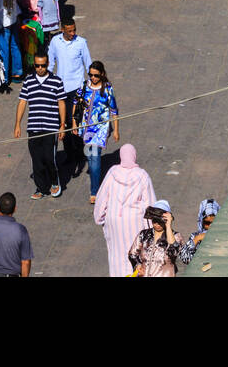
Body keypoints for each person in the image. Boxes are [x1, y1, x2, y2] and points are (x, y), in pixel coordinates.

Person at [93, 144, 156, 278]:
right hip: (135, 222)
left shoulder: (112, 172)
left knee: (116, 255)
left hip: (114, 220)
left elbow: (101, 197)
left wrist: (100, 218)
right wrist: (152, 230)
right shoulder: (142, 175)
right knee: (136, 254)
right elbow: (150, 204)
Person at [14, 55, 67, 199]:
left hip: (50, 127)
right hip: (34, 127)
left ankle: (55, 182)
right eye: (37, 66)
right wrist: (17, 124)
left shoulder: (56, 81)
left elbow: (61, 103)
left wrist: (62, 125)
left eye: (43, 65)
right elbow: (22, 102)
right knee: (36, 160)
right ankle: (41, 188)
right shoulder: (29, 81)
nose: (40, 69)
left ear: (48, 64)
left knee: (50, 158)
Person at [48, 17, 92, 178]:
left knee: (77, 120)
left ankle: (80, 152)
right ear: (62, 30)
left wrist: (91, 85)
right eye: (69, 31)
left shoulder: (81, 43)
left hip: (78, 87)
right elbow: (50, 63)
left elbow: (88, 63)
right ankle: (69, 153)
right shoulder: (55, 42)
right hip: (61, 88)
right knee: (64, 122)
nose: (73, 33)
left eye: (74, 30)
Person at [72, 61, 119, 203]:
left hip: (101, 128)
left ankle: (94, 191)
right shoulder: (84, 86)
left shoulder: (108, 89)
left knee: (95, 158)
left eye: (96, 75)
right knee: (90, 156)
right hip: (86, 127)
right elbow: (75, 103)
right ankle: (95, 181)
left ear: (102, 74)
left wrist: (116, 130)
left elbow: (114, 111)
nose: (93, 78)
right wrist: (74, 123)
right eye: (91, 75)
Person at [127, 201, 190, 276]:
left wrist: (168, 226)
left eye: (160, 221)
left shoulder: (176, 236)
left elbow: (177, 253)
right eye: (154, 220)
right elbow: (132, 254)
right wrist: (137, 265)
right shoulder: (144, 235)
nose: (157, 224)